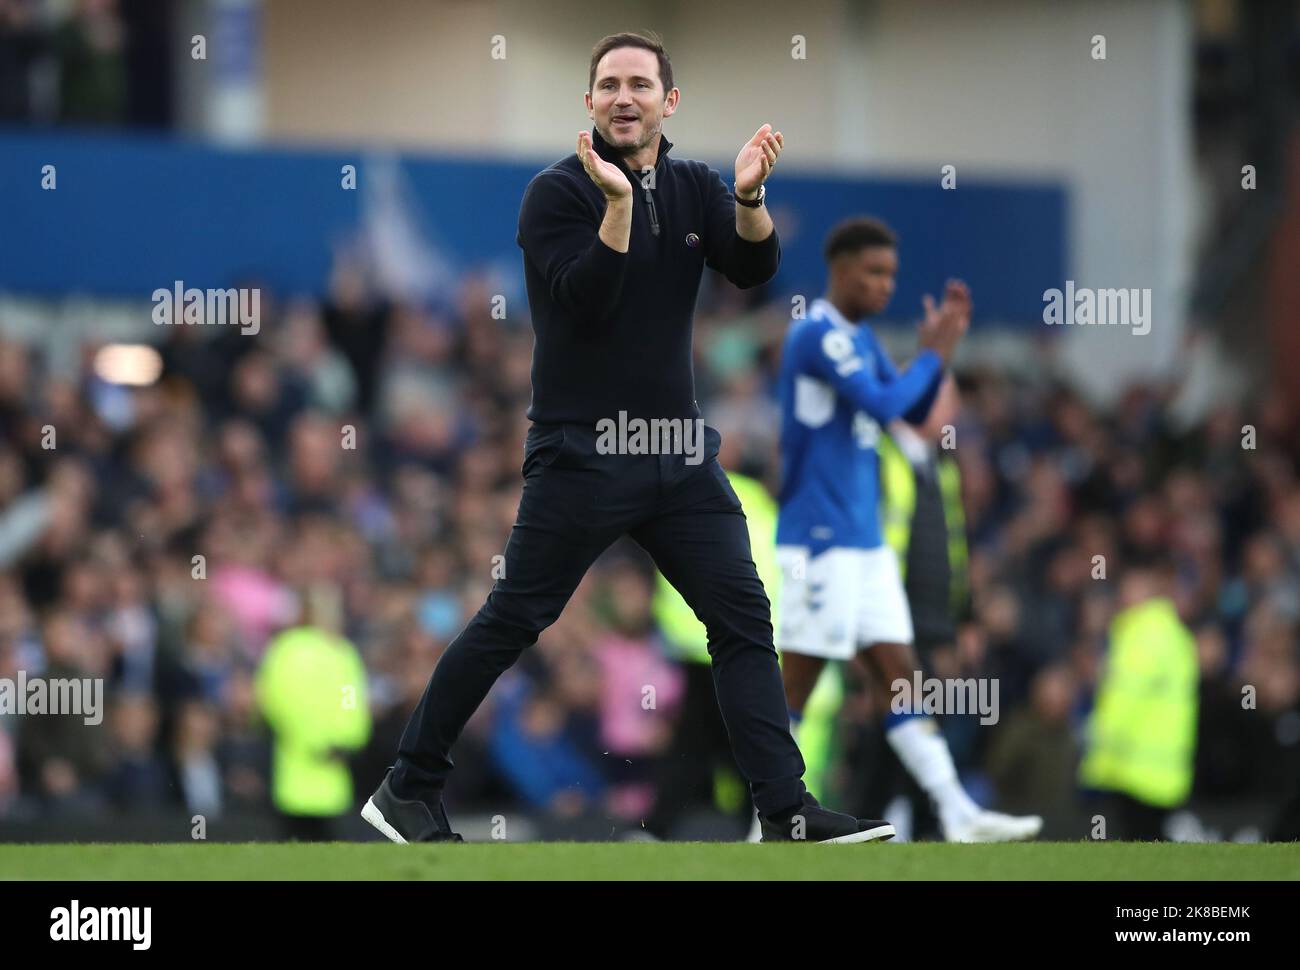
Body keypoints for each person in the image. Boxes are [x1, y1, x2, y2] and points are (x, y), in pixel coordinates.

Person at [363, 31, 891, 844]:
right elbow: (586, 301)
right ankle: (407, 787)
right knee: (514, 618)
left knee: (745, 619)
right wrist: (615, 207)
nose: (623, 96)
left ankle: (784, 810)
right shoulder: (555, 194)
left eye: (640, 83)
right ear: (589, 102)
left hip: (677, 454)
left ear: (668, 102)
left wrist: (748, 201)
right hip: (582, 451)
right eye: (608, 83)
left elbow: (752, 271)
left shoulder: (694, 186)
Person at [773, 216, 1042, 842]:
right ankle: (770, 819)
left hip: (864, 546)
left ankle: (957, 812)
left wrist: (939, 355)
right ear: (839, 270)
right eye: (874, 272)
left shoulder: (861, 341)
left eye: (892, 274)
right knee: (798, 685)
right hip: (821, 541)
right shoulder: (817, 334)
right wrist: (930, 357)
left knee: (902, 678)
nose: (886, 285)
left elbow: (911, 411)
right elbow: (887, 405)